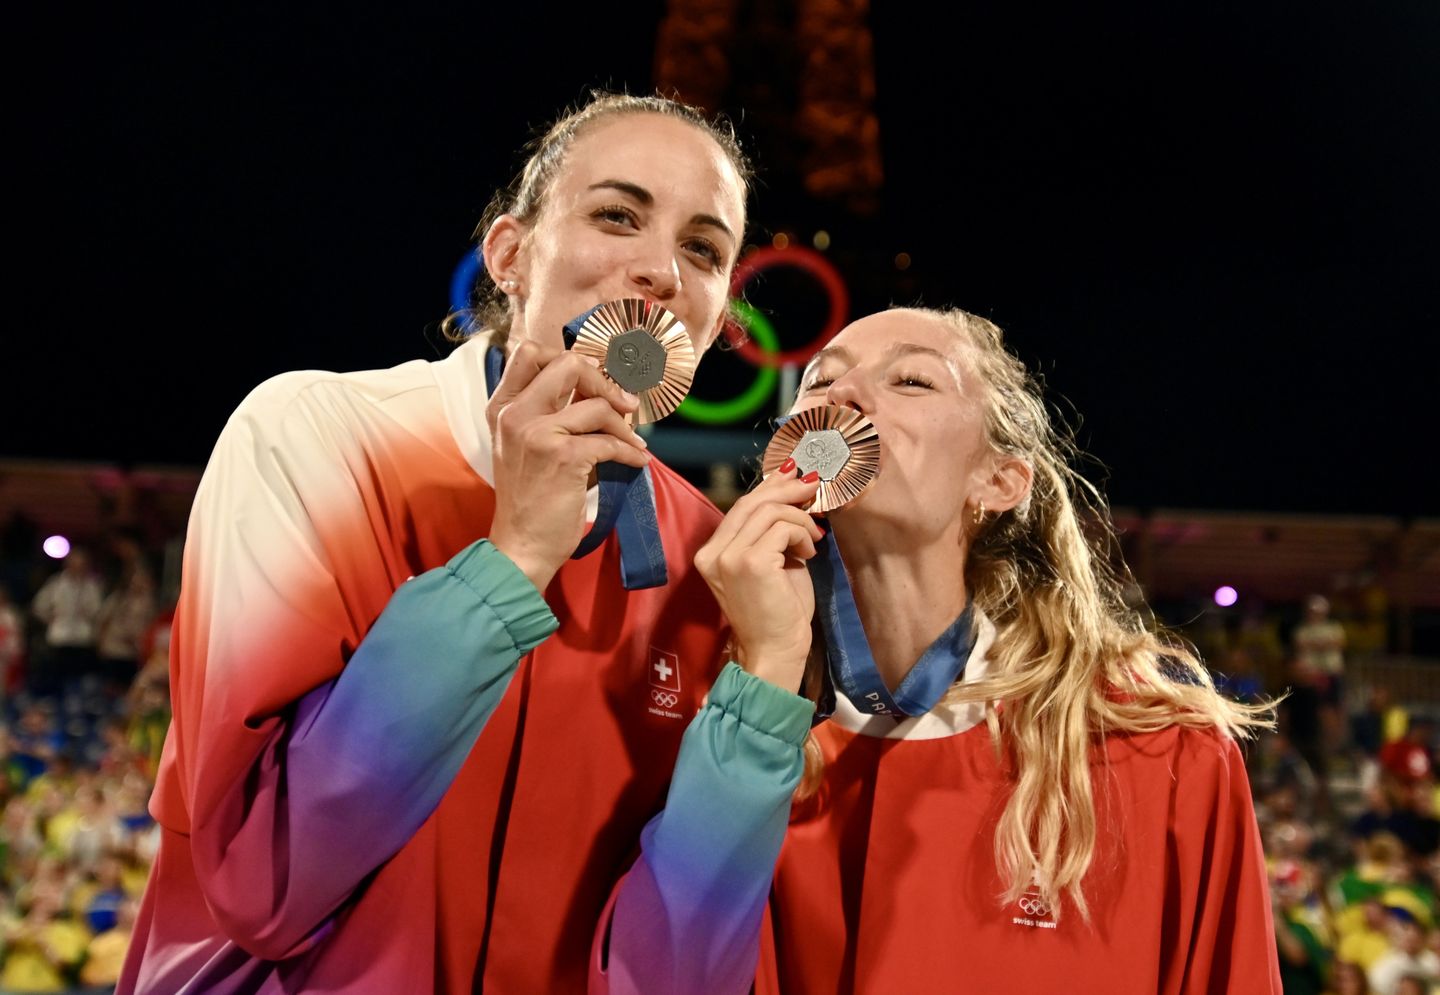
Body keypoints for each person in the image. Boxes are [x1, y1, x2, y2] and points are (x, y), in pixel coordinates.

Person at [118, 91, 751, 994]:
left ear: (721, 312)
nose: (661, 270)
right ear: (509, 254)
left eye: (703, 248)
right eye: (617, 215)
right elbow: (265, 879)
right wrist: (514, 559)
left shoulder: (710, 557)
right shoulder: (316, 435)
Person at [594, 306, 1281, 993]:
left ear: (1000, 481)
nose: (842, 395)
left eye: (912, 381)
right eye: (820, 380)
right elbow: (648, 982)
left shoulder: (1160, 754)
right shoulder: (713, 719)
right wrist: (767, 672)